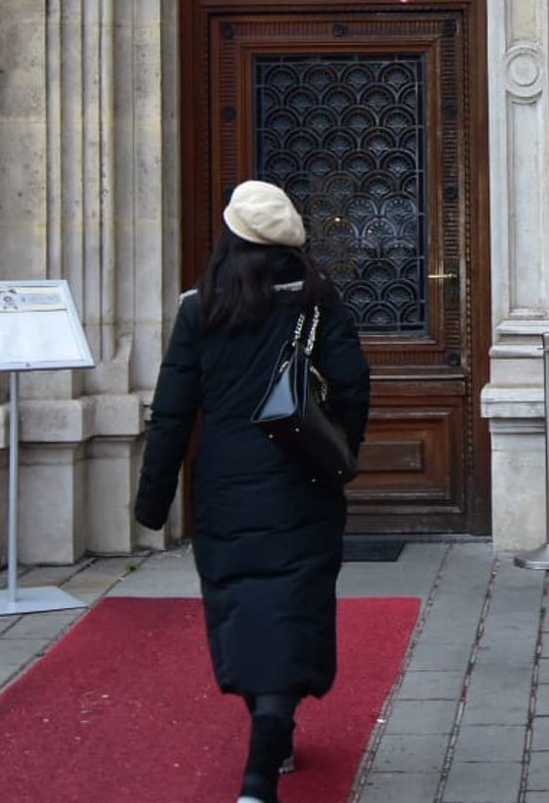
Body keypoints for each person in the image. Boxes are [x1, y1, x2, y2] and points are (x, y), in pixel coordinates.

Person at [133, 179, 371, 803]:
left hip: (227, 485)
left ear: (230, 237)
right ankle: (271, 742)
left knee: (240, 607)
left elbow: (173, 412)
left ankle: (267, 739)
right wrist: (340, 452)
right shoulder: (318, 299)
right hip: (301, 483)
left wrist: (152, 502)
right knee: (295, 603)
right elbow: (352, 385)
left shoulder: (199, 308)